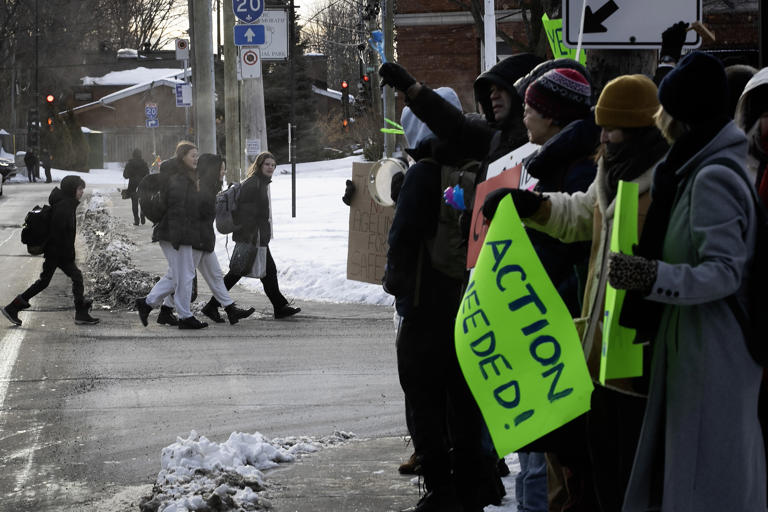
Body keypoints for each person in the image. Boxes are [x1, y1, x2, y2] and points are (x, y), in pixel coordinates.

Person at [485, 74, 669, 512]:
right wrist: (532, 206)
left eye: (612, 129)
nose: (602, 137)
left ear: (639, 131)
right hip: (599, 358)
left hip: (644, 365)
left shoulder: (666, 185)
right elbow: (581, 214)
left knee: (628, 488)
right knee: (594, 481)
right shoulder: (611, 173)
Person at [605, 51, 765, 511]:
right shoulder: (693, 166)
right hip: (696, 345)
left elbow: (725, 272)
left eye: (667, 109)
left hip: (713, 350)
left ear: (683, 115)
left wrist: (650, 275)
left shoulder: (711, 176)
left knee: (705, 481)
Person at [482, 67, 599, 512]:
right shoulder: (551, 164)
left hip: (555, 327)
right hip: (543, 322)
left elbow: (572, 249)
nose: (524, 116)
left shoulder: (576, 170)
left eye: (530, 108)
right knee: (541, 459)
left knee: (552, 465)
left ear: (552, 116)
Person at [200, 152, 300, 321]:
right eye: (267, 164)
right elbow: (245, 213)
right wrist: (254, 234)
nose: (270, 167)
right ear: (259, 165)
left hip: (256, 236)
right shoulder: (254, 184)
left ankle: (279, 306)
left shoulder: (259, 183)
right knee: (237, 272)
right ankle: (212, 306)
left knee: (267, 272)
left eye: (273, 165)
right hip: (252, 236)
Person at [2, 176, 99, 325]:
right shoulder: (64, 207)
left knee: (47, 281)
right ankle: (80, 312)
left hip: (57, 252)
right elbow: (59, 234)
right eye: (80, 189)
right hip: (57, 253)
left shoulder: (67, 204)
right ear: (71, 190)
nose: (82, 192)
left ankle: (13, 307)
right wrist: (66, 255)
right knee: (74, 277)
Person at [134, 142, 209, 329]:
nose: (196, 159)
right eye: (193, 155)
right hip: (174, 234)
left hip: (180, 233)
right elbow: (176, 211)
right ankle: (185, 316)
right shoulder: (180, 180)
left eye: (197, 155)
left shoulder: (188, 177)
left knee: (180, 275)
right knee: (184, 276)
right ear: (183, 157)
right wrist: (177, 237)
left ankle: (147, 303)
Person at [195, 153, 255, 325]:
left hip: (204, 240)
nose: (224, 172)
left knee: (215, 275)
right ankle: (153, 304)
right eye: (221, 169)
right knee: (179, 277)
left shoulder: (210, 188)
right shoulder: (200, 189)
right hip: (195, 241)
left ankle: (229, 309)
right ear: (212, 170)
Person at [123, 148, 150, 225]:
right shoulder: (144, 163)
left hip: (133, 186)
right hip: (143, 186)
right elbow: (148, 174)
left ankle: (136, 220)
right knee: (143, 202)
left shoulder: (129, 164)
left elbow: (125, 175)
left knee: (134, 203)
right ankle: (142, 214)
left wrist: (131, 175)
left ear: (133, 155)